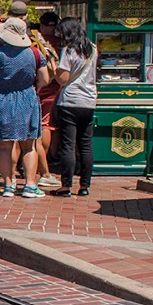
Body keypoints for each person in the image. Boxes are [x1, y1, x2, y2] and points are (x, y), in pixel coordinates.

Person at [0, 6, 51, 198]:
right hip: (27, 98)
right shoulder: (35, 54)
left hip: (2, 97)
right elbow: (44, 80)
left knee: (4, 145)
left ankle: (8, 184)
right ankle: (29, 184)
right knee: (29, 145)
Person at [50, 17, 97, 197]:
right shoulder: (92, 48)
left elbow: (62, 78)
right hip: (89, 100)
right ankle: (85, 185)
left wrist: (54, 65)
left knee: (68, 144)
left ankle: (66, 186)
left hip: (70, 101)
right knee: (85, 143)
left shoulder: (68, 50)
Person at [32, 11, 63, 188]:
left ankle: (39, 161)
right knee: (49, 124)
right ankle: (47, 158)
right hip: (55, 87)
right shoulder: (60, 43)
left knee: (41, 126)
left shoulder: (35, 43)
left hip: (38, 86)